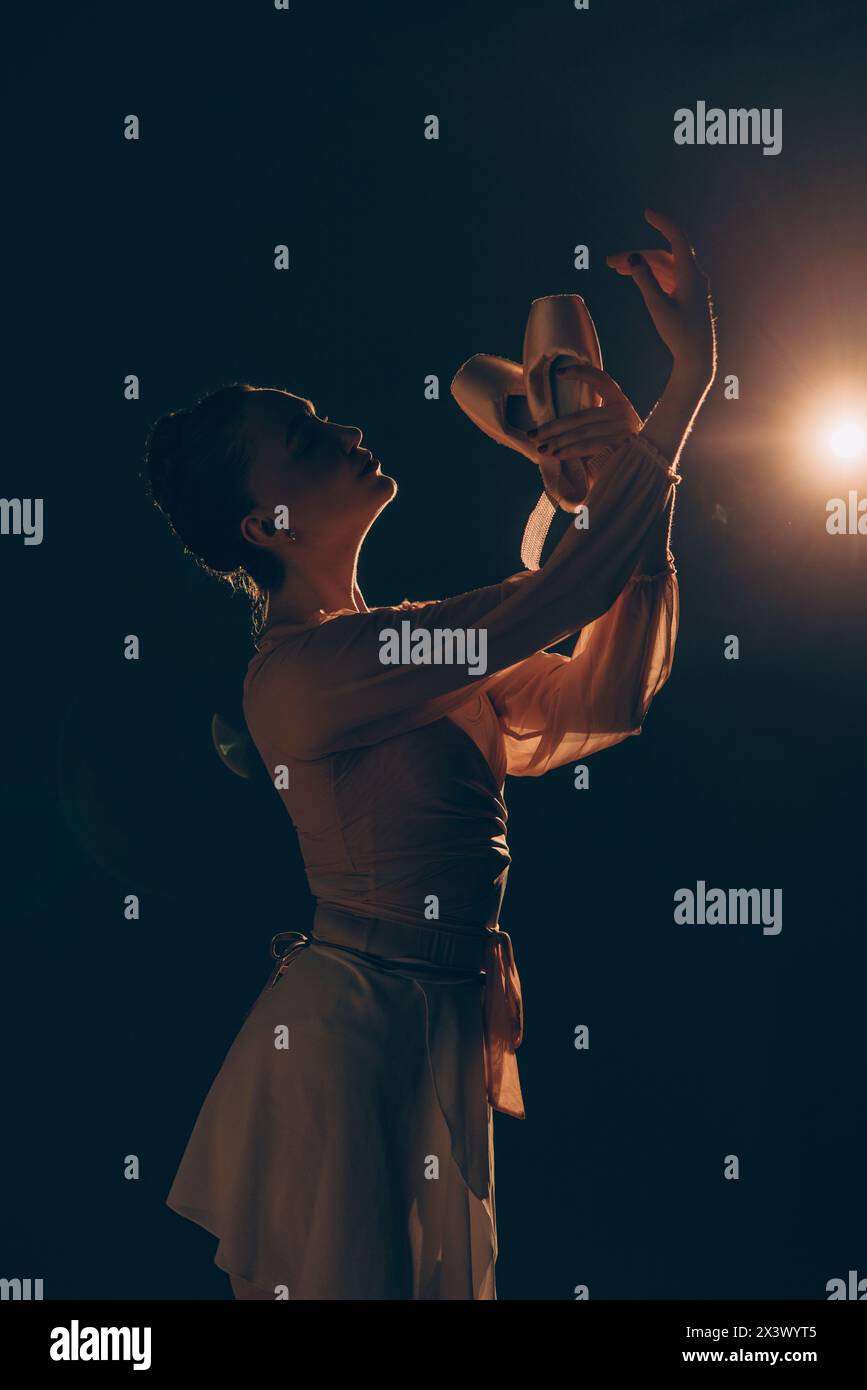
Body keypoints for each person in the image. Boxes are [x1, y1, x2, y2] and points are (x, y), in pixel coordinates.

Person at [145, 209, 715, 1300]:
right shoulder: (308, 672)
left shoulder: (399, 645)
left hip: (430, 1029)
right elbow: (563, 591)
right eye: (306, 440)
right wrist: (684, 383)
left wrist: (601, 480)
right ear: (265, 522)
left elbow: (605, 694)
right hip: (353, 1041)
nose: (341, 430)